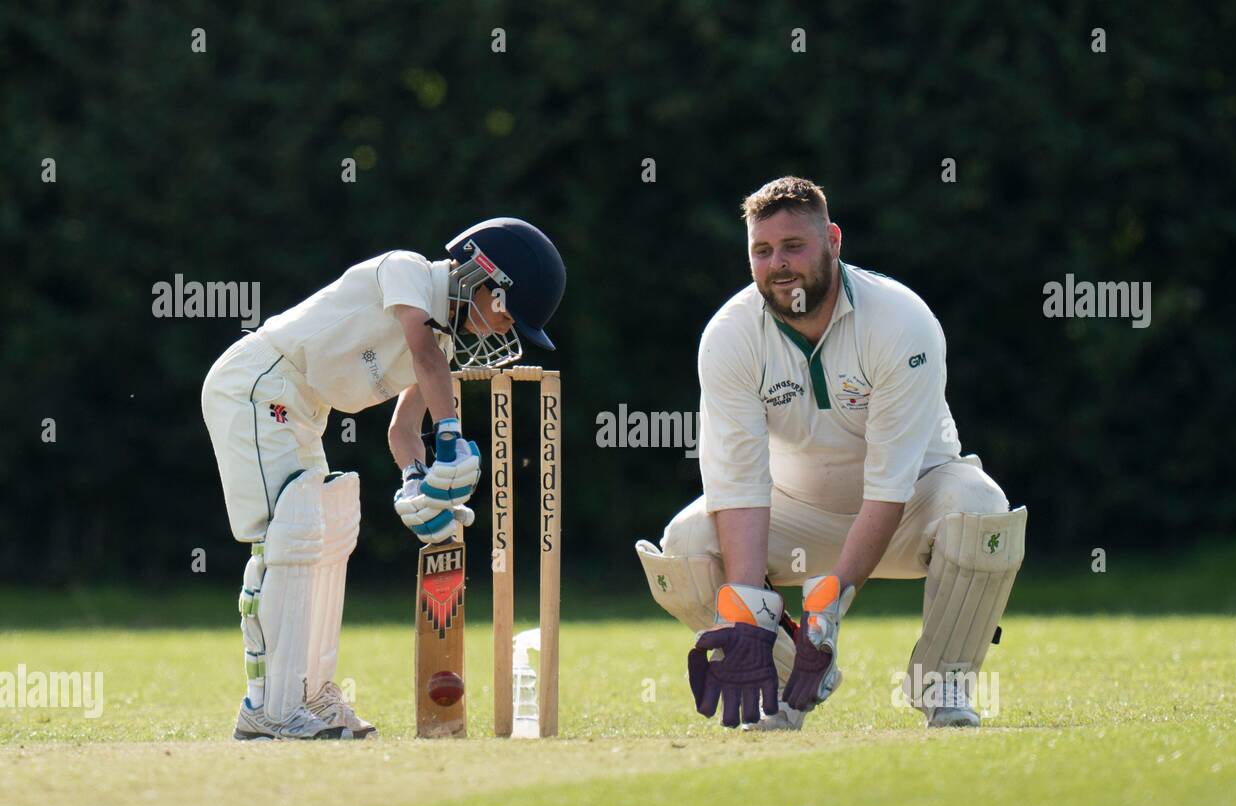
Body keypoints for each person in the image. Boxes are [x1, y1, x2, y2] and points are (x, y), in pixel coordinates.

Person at [636, 177, 1025, 731]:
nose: (779, 265)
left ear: (833, 240)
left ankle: (944, 685)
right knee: (686, 546)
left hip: (912, 508)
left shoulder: (900, 321)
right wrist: (747, 613)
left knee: (982, 505)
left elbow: (889, 484)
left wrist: (832, 601)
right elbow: (739, 484)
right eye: (762, 251)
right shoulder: (729, 335)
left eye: (794, 246)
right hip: (797, 513)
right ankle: (787, 679)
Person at [201, 218, 565, 739]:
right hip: (256, 383)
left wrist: (418, 480)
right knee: (291, 536)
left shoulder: (442, 349)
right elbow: (421, 354)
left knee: (328, 530)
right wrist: (451, 437)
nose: (506, 329)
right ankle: (267, 710)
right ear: (483, 276)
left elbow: (400, 431)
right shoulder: (408, 271)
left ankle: (309, 694)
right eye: (509, 314)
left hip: (301, 405)